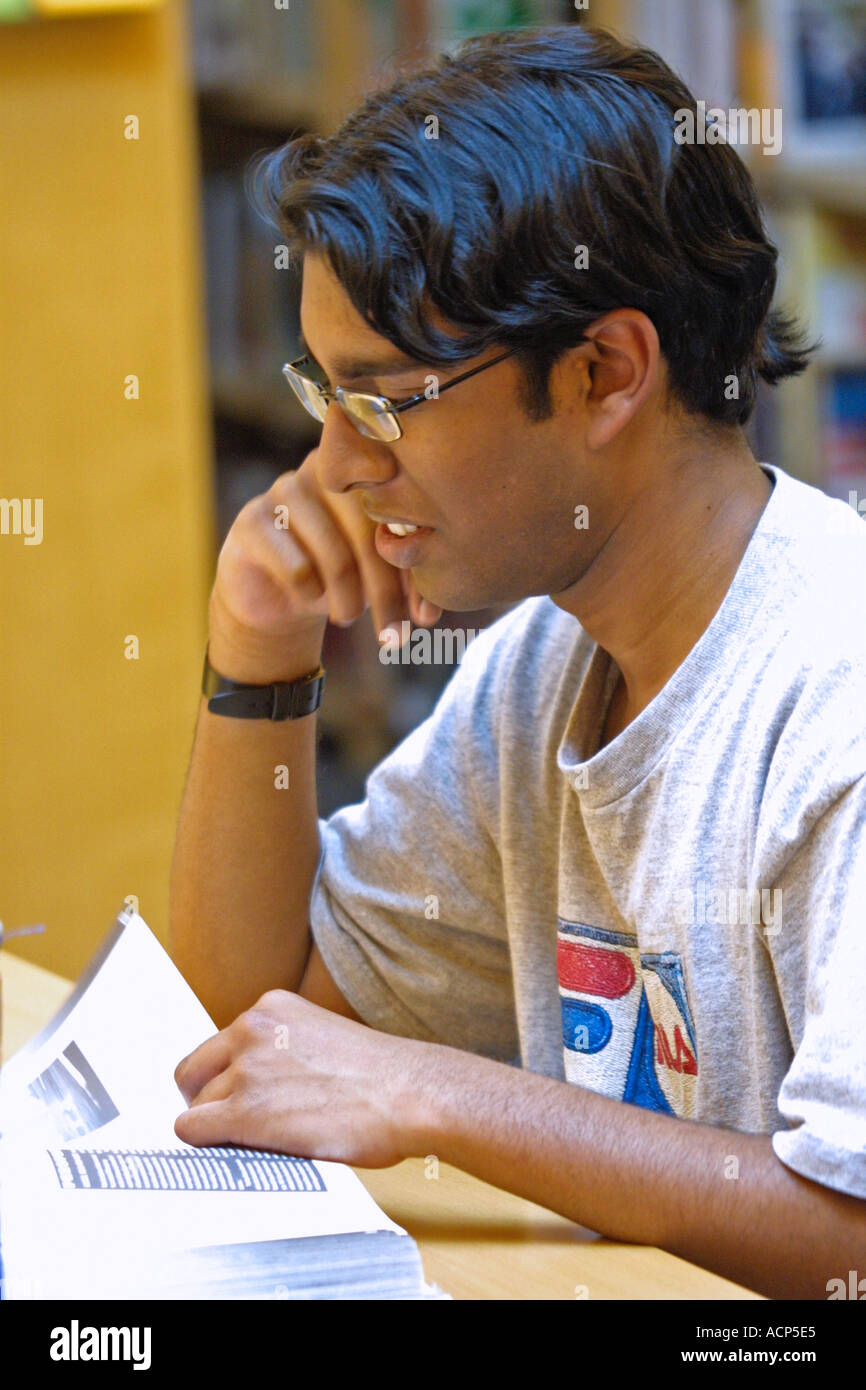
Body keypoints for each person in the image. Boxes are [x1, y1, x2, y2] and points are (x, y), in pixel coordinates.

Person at [169, 24, 866, 1298]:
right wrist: (259, 656)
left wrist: (444, 1095)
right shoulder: (541, 663)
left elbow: (854, 1241)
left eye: (382, 400)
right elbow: (259, 1028)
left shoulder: (837, 692)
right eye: (321, 396)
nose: (332, 468)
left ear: (604, 372)